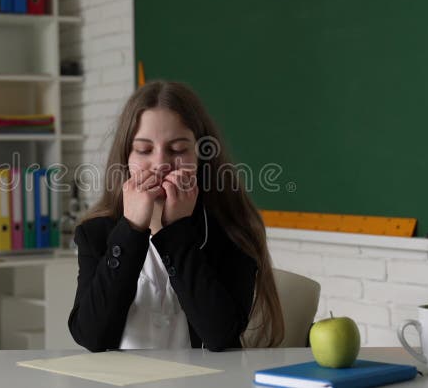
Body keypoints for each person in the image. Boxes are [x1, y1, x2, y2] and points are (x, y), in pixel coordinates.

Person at [67, 80, 284, 352]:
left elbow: (220, 335)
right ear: (126, 157)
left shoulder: (233, 228)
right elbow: (91, 336)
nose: (160, 164)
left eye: (178, 149)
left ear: (200, 156)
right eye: (145, 150)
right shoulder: (96, 233)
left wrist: (175, 231)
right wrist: (132, 229)